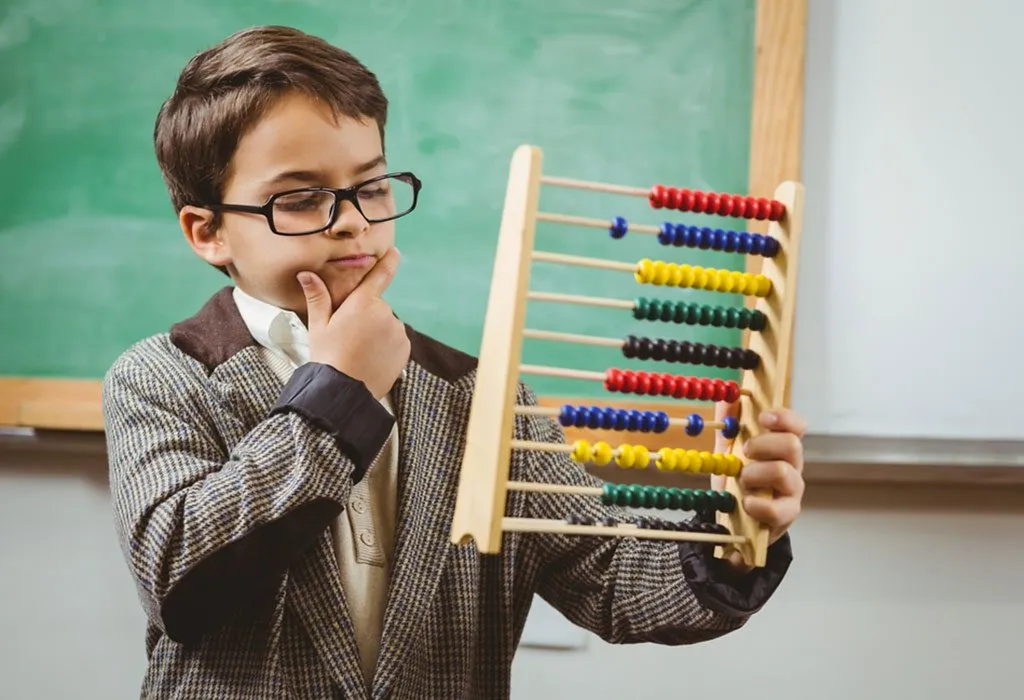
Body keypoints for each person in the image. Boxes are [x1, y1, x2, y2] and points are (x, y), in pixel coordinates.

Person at [102, 24, 808, 700]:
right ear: (208, 231)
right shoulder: (163, 377)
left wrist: (731, 532)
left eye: (372, 186)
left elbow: (614, 580)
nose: (353, 219)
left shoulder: (477, 397)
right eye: (302, 198)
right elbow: (179, 580)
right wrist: (338, 393)